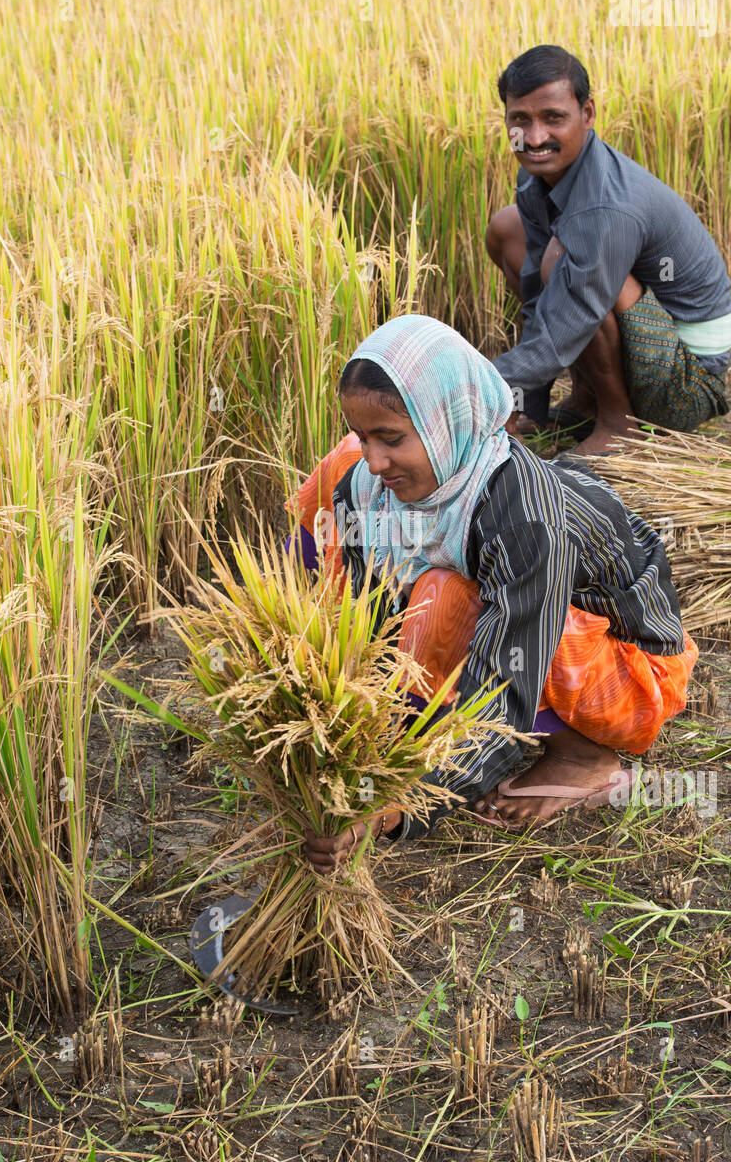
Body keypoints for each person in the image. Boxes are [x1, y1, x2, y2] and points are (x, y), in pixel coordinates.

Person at [281, 315, 698, 875]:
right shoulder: (371, 485)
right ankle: (434, 735)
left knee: (443, 596)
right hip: (523, 630)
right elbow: (370, 620)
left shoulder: (523, 512)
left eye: (393, 438)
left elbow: (502, 683)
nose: (376, 461)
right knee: (337, 472)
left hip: (626, 671)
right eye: (365, 434)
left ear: (447, 422)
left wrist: (398, 809)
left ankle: (583, 757)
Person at [484, 45, 731, 454]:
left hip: (687, 381)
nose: (534, 138)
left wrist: (480, 384)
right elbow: (537, 299)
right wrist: (523, 401)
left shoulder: (605, 204)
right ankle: (588, 400)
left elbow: (570, 320)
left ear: (587, 115)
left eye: (553, 118)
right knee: (507, 227)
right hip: (642, 334)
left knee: (565, 261)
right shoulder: (535, 179)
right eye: (520, 120)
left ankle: (620, 425)